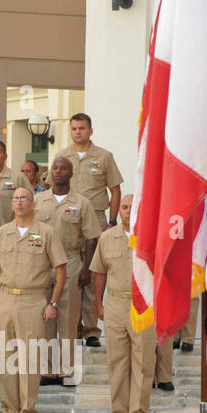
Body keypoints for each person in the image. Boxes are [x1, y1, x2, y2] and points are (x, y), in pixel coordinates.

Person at [0, 188, 66, 413]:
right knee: (8, 359)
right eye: (16, 199)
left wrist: (52, 303)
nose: (19, 203)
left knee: (30, 358)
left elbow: (61, 270)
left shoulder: (46, 233)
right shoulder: (2, 233)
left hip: (33, 299)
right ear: (11, 204)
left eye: (24, 199)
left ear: (33, 204)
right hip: (6, 298)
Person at [90, 194, 154, 413]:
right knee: (117, 361)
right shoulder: (107, 238)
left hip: (143, 305)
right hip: (116, 304)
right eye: (124, 207)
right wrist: (99, 305)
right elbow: (99, 274)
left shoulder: (151, 236)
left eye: (132, 207)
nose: (127, 211)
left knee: (143, 361)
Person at [33, 156, 99, 385]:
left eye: (63, 168)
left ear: (71, 174)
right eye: (55, 168)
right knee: (45, 320)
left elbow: (92, 238)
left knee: (68, 320)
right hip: (42, 266)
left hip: (71, 263)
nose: (58, 171)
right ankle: (47, 370)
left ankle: (67, 371)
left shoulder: (82, 203)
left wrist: (87, 270)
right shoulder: (38, 201)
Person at [68, 113, 123, 346]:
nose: (77, 132)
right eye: (73, 128)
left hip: (98, 220)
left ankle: (91, 330)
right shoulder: (62, 156)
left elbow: (115, 189)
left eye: (81, 128)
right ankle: (72, 328)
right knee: (71, 274)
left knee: (93, 272)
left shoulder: (104, 157)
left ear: (90, 131)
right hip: (69, 221)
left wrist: (112, 221)